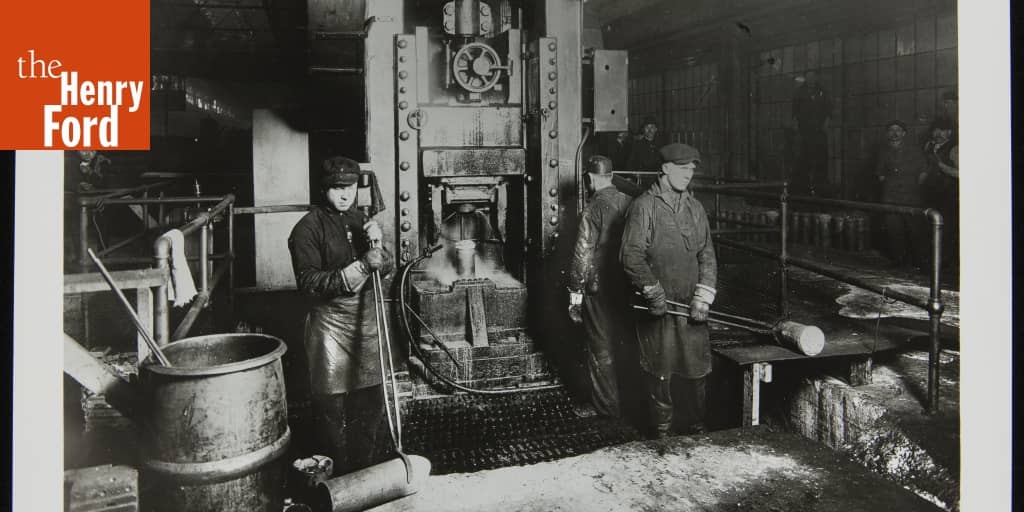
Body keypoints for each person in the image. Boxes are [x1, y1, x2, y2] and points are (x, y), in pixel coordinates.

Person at [288, 156, 394, 475]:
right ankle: (337, 478)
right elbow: (309, 284)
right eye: (337, 188)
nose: (345, 194)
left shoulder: (361, 219)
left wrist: (380, 246)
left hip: (364, 320)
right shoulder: (306, 229)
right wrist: (361, 265)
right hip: (330, 325)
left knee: (371, 402)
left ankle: (365, 473)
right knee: (331, 409)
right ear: (324, 189)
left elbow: (384, 268)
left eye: (349, 187)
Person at [620, 143, 717, 438]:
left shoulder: (695, 208)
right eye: (682, 168)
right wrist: (652, 292)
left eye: (691, 169)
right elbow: (631, 256)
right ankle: (662, 434)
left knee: (697, 371)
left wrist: (703, 297)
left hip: (690, 307)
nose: (689, 174)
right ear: (665, 169)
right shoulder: (644, 207)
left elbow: (707, 255)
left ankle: (697, 428)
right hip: (658, 308)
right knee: (659, 373)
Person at [567, 155, 635, 418]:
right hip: (626, 283)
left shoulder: (593, 208)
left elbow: (582, 255)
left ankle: (606, 407)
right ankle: (630, 402)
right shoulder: (630, 203)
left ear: (591, 178)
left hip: (599, 287)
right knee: (624, 341)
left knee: (601, 345)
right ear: (612, 175)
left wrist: (575, 298)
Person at [875, 120, 931, 269]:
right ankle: (899, 261)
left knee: (915, 230)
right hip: (890, 196)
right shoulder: (883, 151)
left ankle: (921, 263)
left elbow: (924, 171)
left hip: (911, 197)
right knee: (894, 229)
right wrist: (891, 187)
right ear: (887, 134)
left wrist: (913, 187)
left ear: (904, 133)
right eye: (891, 130)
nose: (894, 133)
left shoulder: (915, 150)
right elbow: (880, 175)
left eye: (898, 130)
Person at [923, 117, 958, 270]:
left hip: (949, 196)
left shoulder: (955, 148)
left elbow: (960, 174)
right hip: (930, 195)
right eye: (935, 130)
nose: (938, 134)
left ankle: (945, 265)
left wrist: (940, 165)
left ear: (950, 132)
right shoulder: (928, 146)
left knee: (947, 230)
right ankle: (932, 263)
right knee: (929, 229)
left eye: (943, 130)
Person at [791, 70, 831, 195]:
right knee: (804, 159)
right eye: (808, 77)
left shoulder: (823, 92)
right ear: (805, 78)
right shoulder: (799, 93)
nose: (811, 79)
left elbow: (829, 109)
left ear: (816, 78)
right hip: (805, 132)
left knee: (820, 159)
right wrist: (796, 125)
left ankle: (820, 188)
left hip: (819, 131)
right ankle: (803, 188)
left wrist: (826, 122)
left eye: (813, 77)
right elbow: (794, 112)